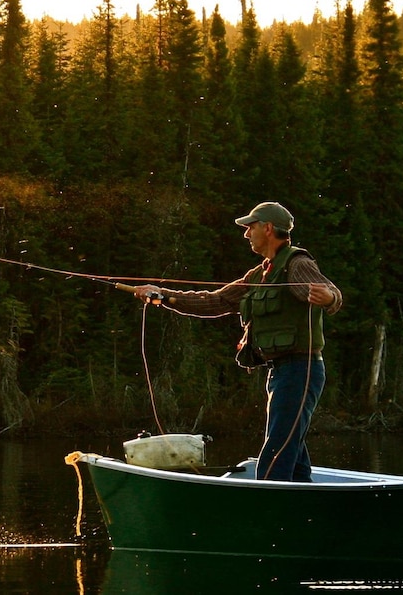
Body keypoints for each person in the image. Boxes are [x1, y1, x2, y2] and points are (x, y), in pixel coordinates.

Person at [132, 202, 342, 482]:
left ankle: (268, 507)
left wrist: (329, 298)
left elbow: (331, 292)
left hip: (301, 371)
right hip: (280, 373)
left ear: (268, 228)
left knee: (278, 448)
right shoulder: (258, 275)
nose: (246, 234)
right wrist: (163, 296)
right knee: (291, 445)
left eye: (250, 227)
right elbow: (214, 301)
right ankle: (303, 507)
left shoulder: (297, 264)